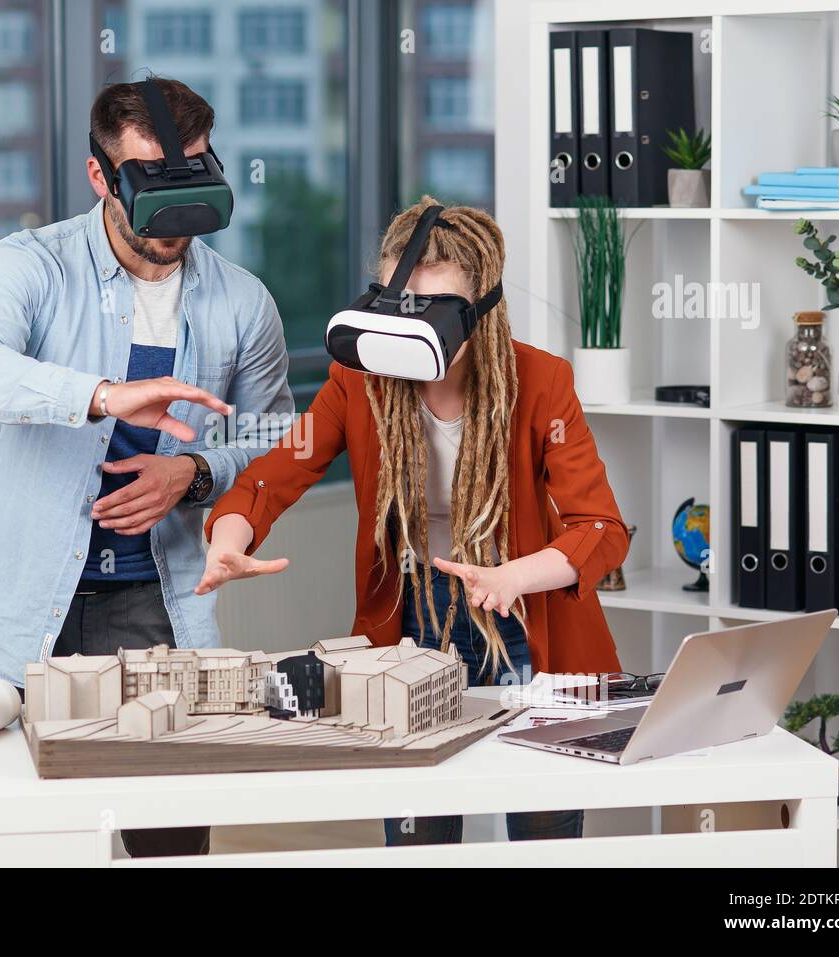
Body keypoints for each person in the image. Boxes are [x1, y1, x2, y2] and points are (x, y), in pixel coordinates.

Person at [0, 78, 294, 857]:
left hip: (155, 610)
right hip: (22, 610)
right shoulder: (32, 265)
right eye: (149, 181)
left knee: (167, 837)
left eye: (190, 175)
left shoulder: (243, 303)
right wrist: (99, 395)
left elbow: (273, 439)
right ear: (101, 176)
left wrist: (192, 472)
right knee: (22, 839)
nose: (173, 208)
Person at [196, 197, 628, 845]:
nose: (414, 332)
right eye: (403, 309)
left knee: (544, 822)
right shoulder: (359, 382)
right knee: (418, 826)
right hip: (411, 623)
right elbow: (272, 476)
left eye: (439, 313)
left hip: (523, 620)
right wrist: (230, 538)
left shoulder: (542, 381)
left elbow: (601, 528)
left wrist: (512, 576)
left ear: (483, 309)